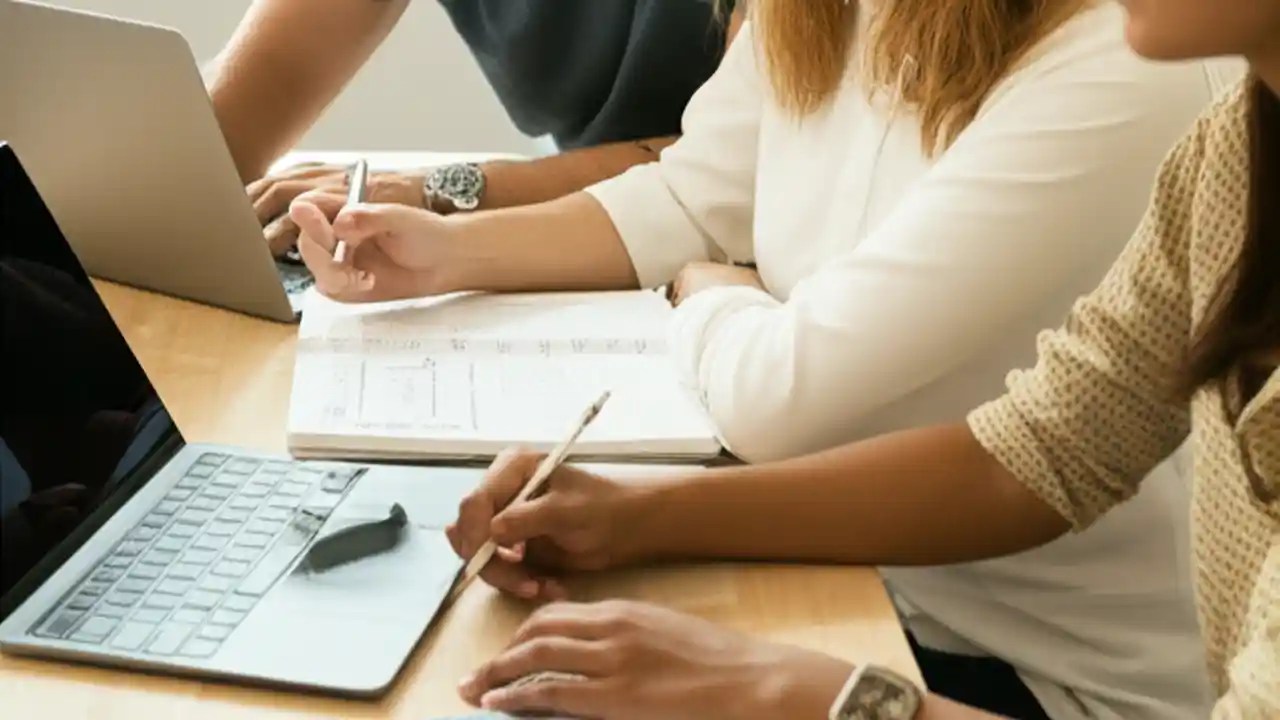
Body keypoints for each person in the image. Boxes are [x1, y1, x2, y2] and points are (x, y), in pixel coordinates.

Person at [292, 0, 1222, 717]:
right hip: (850, 575)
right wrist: (443, 255)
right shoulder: (821, 13)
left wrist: (707, 293)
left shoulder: (1126, 66)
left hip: (1031, 668)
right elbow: (696, 197)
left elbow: (783, 396)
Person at [208, 0, 742, 255]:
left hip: (764, 263)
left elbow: (733, 166)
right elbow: (258, 90)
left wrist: (430, 192)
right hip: (608, 238)